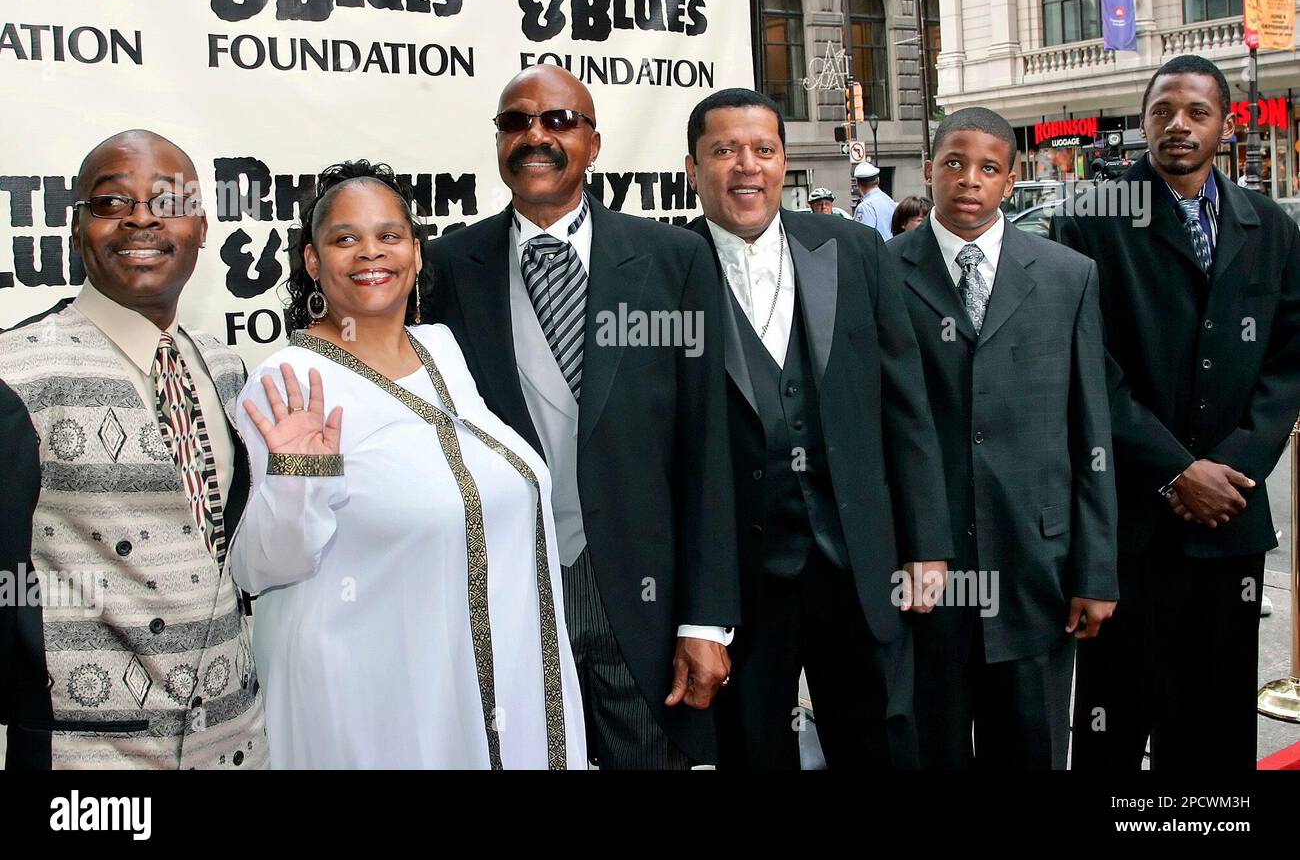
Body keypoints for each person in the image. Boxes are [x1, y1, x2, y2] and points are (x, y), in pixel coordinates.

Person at [426, 66, 739, 769]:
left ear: (593, 144)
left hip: (641, 595)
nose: (535, 135)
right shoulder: (447, 267)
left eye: (559, 120)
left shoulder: (673, 259)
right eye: (516, 122)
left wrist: (706, 618)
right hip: (509, 592)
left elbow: (707, 447)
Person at [229, 161, 586, 769]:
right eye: (345, 238)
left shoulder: (440, 348)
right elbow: (259, 568)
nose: (370, 252)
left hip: (477, 686)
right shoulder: (288, 382)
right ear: (313, 261)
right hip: (369, 702)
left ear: (417, 254)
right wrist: (297, 480)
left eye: (389, 235)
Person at [683, 88, 952, 770]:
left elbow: (906, 404)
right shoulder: (665, 266)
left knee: (881, 744)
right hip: (742, 577)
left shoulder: (854, 248)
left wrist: (927, 542)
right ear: (693, 168)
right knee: (754, 750)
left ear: (784, 162)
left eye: (763, 150)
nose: (747, 166)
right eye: (724, 150)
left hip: (858, 561)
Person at [1054, 54, 1300, 770]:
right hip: (1129, 526)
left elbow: (1288, 360)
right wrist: (1174, 471)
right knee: (1113, 723)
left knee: (1214, 732)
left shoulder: (1270, 227)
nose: (1178, 125)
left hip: (1230, 522)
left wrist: (1233, 468)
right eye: (1162, 111)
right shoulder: (1091, 222)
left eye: (1197, 111)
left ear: (1226, 123)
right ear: (1143, 122)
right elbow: (1089, 368)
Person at [0, 130, 267, 768]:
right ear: (77, 229)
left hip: (240, 741)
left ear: (201, 229)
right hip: (88, 760)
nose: (141, 218)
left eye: (169, 201)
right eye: (112, 202)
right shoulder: (15, 375)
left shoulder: (227, 369)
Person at [889, 108, 1118, 769]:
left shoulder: (1069, 275)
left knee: (1031, 746)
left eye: (989, 168)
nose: (970, 179)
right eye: (954, 163)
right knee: (929, 749)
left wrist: (1095, 570)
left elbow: (1091, 430)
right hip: (923, 572)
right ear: (928, 169)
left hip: (1035, 569)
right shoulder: (879, 271)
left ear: (1011, 181)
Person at [853, 161, 897, 240]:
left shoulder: (865, 207)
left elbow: (864, 237)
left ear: (857, 183)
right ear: (878, 180)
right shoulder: (889, 201)